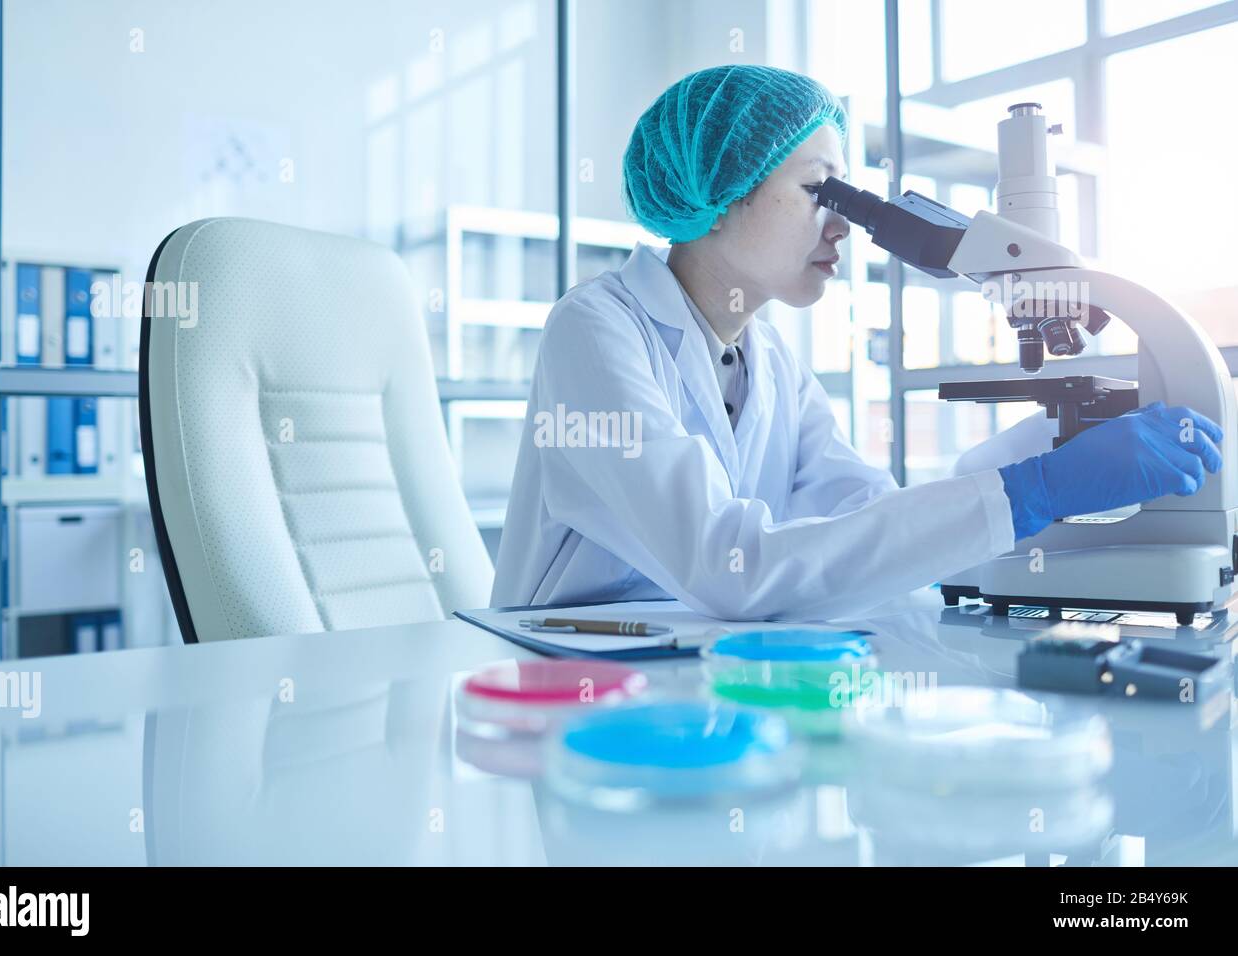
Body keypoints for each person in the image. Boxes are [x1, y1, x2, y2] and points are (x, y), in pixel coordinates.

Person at [491, 64, 1222, 621]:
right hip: (565, 691)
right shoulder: (594, 329)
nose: (843, 226)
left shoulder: (772, 361)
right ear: (719, 194)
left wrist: (1029, 462)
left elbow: (863, 518)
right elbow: (729, 566)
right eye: (823, 193)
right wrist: (1032, 493)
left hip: (698, 687)